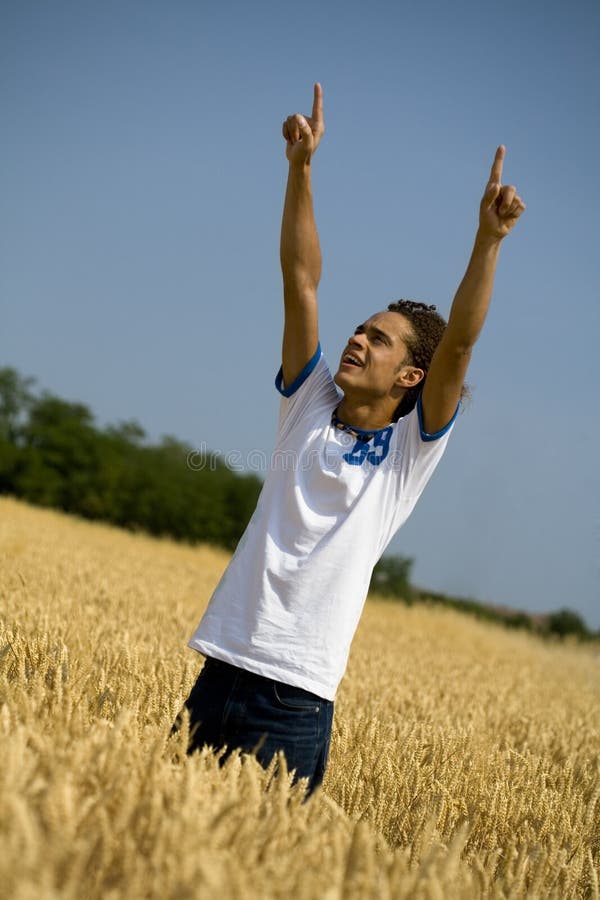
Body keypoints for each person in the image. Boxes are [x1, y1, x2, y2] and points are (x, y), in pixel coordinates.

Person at [171, 83, 525, 799]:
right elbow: (301, 282)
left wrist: (487, 242)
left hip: (295, 701)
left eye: (380, 338)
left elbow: (458, 348)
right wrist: (300, 168)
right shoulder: (306, 404)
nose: (358, 339)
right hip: (221, 668)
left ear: (410, 376)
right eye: (361, 328)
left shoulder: (408, 456)